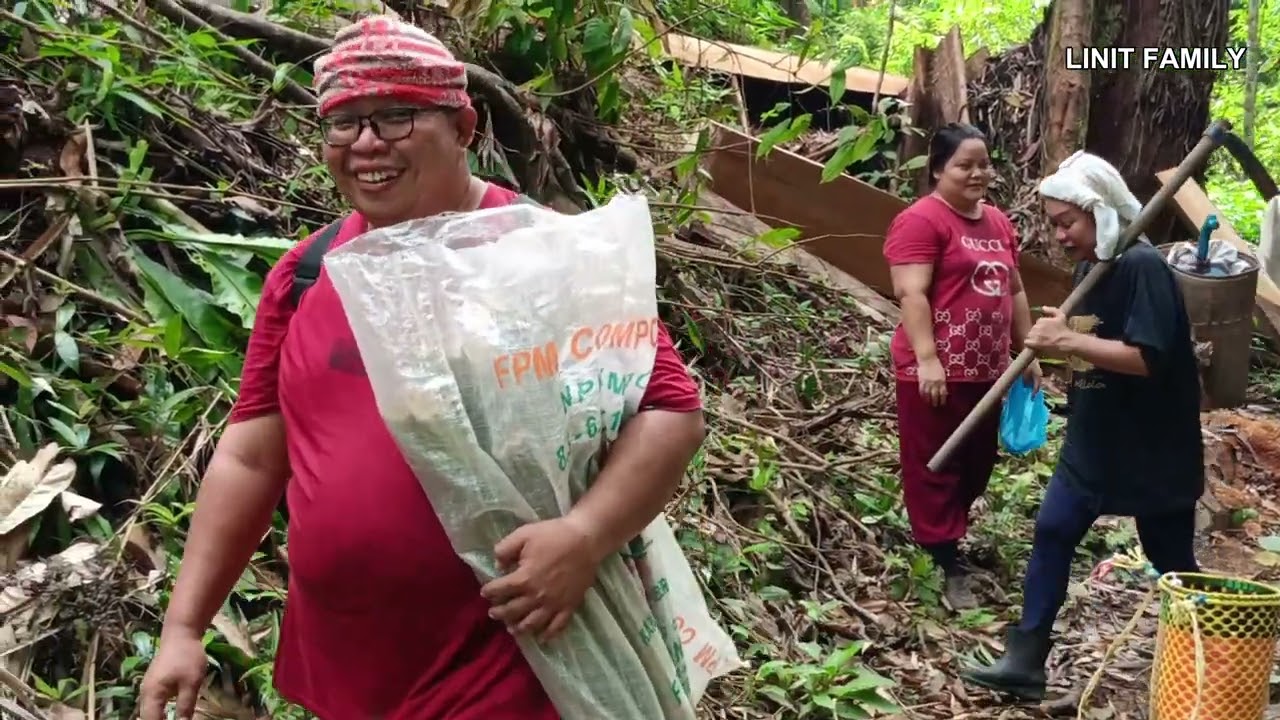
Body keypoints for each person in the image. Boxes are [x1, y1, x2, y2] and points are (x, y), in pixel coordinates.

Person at [137, 16, 707, 720]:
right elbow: (254, 454)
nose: (367, 143)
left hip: (511, 664)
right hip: (350, 669)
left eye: (397, 116)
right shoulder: (308, 272)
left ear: (464, 127)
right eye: (343, 123)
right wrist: (184, 627)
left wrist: (584, 537)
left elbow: (671, 409)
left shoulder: (545, 257)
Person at [960, 151, 1203, 701]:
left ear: (1100, 211)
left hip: (1152, 446)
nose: (1060, 236)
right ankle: (1025, 661)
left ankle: (1208, 665)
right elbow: (1090, 345)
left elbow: (1148, 357)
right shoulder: (1090, 269)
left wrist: (1066, 341)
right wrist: (1062, 336)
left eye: (1067, 222)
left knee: (1172, 563)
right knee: (1052, 532)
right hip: (1093, 441)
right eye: (1054, 224)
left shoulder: (1142, 267)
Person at [883, 123, 1040, 610]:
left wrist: (1027, 350)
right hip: (937, 369)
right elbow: (911, 292)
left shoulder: (996, 221)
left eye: (984, 164)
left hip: (988, 368)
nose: (978, 173)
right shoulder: (921, 221)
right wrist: (928, 359)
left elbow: (1012, 289)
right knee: (934, 462)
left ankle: (946, 540)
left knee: (977, 462)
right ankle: (942, 559)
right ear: (937, 169)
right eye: (964, 165)